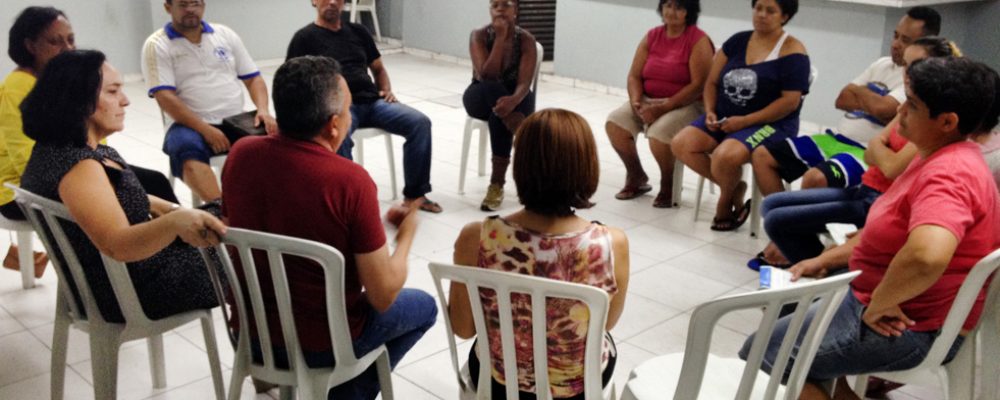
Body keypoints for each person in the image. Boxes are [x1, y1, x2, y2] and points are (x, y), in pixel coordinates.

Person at [740, 57, 1000, 400]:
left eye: (913, 105)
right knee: (769, 346)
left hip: (907, 325)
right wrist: (830, 258)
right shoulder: (936, 153)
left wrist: (881, 301)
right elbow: (895, 235)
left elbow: (926, 255)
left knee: (766, 356)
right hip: (880, 304)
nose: (900, 111)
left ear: (948, 122)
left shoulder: (949, 174)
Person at [222, 56, 437, 400]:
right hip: (322, 347)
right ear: (334, 125)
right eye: (350, 111)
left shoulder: (241, 155)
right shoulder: (349, 182)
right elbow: (382, 296)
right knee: (424, 306)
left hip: (250, 337)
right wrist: (407, 235)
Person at [18, 49, 225, 324]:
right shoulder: (79, 167)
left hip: (129, 278)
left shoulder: (59, 150)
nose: (126, 101)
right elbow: (118, 244)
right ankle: (271, 351)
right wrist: (177, 221)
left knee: (233, 214)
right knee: (259, 253)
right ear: (80, 100)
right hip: (138, 290)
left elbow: (113, 199)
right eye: (113, 92)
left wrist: (174, 209)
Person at [449, 109, 631, 399]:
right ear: (586, 167)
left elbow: (462, 327)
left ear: (520, 166)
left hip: (497, 380)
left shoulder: (477, 237)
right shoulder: (610, 243)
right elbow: (605, 324)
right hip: (578, 387)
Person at [748, 37, 959, 269]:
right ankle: (820, 267)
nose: (906, 72)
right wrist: (880, 149)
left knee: (780, 218)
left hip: (880, 200)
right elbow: (872, 151)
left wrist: (880, 147)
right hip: (865, 187)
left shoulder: (930, 118)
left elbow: (891, 167)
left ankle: (820, 270)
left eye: (915, 65)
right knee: (772, 205)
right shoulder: (908, 104)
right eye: (906, 65)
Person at [751, 7, 941, 196]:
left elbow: (883, 109)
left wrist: (860, 92)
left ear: (924, 45)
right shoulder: (882, 64)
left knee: (814, 178)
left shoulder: (918, 79)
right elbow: (842, 99)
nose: (896, 44)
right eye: (896, 36)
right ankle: (784, 219)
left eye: (905, 40)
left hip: (863, 150)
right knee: (762, 156)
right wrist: (868, 97)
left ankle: (799, 223)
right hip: (836, 138)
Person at [287, 0, 442, 213]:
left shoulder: (358, 32)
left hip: (373, 102)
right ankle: (347, 202)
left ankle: (415, 195)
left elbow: (378, 68)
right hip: (339, 109)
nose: (332, 2)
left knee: (419, 123)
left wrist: (386, 89)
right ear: (314, 1)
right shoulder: (304, 38)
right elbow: (293, 80)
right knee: (337, 138)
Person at [671, 0, 810, 231]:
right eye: (758, 8)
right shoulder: (737, 41)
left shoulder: (793, 51)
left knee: (725, 156)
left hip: (770, 123)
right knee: (681, 144)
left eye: (770, 11)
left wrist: (745, 121)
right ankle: (735, 188)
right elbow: (712, 82)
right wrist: (710, 111)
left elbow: (789, 102)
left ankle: (725, 202)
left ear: (784, 17)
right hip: (726, 117)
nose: (761, 15)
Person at [141, 0, 277, 204]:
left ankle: (269, 207)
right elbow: (165, 97)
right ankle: (222, 212)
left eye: (195, 3)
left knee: (282, 143)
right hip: (187, 125)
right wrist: (206, 130)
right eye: (183, 5)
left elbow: (253, 78)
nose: (190, 10)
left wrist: (263, 110)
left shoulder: (224, 34)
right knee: (185, 151)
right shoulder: (157, 44)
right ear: (168, 7)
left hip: (235, 120)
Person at [606, 0, 714, 208]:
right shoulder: (652, 35)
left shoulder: (697, 39)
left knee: (659, 133)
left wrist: (663, 108)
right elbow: (634, 76)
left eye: (679, 7)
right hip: (648, 99)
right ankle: (636, 176)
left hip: (687, 104)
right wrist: (637, 102)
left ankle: (668, 183)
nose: (671, 12)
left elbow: (699, 85)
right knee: (615, 122)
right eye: (668, 5)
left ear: (689, 12)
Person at [0, 6, 73, 278]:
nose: (67, 49)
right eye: (55, 41)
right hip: (17, 190)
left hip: (61, 174)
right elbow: (27, 163)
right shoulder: (18, 87)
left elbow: (90, 139)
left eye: (70, 40)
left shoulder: (56, 81)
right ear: (30, 46)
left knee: (147, 183)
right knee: (114, 203)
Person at [463, 0, 539, 211]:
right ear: (489, 10)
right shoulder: (478, 35)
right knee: (492, 91)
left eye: (505, 4)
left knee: (498, 116)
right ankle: (523, 135)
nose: (500, 10)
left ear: (516, 10)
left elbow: (525, 82)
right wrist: (500, 38)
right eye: (495, 5)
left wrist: (513, 101)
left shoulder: (526, 40)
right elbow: (487, 74)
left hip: (517, 95)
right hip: (480, 93)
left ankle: (497, 185)